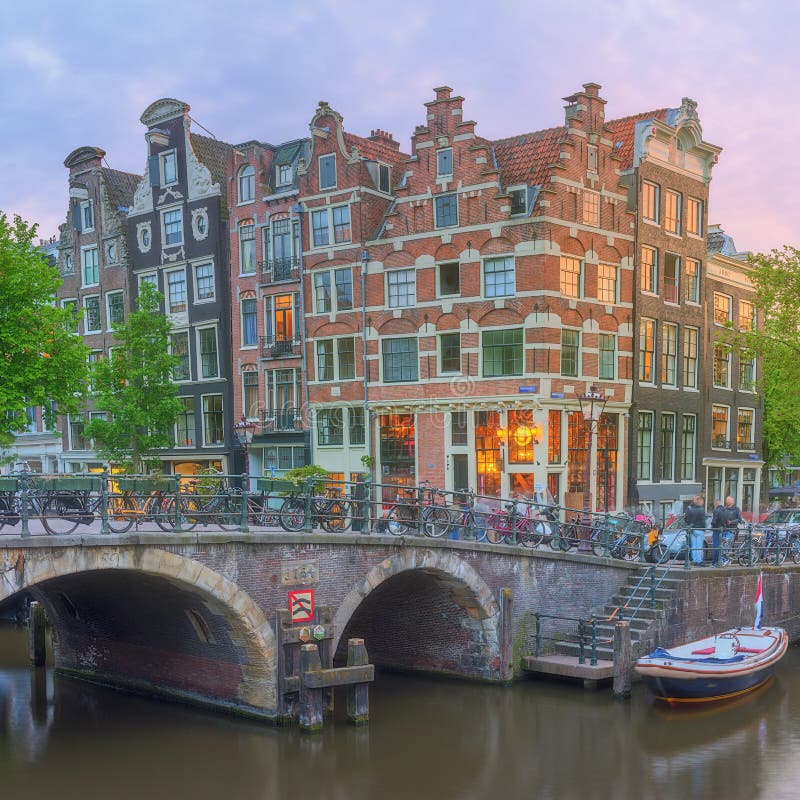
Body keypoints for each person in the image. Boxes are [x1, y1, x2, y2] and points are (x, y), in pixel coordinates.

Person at [684, 495, 706, 565]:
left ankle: (694, 560)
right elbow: (703, 520)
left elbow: (686, 518)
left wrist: (690, 524)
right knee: (699, 546)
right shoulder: (701, 509)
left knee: (693, 545)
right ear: (700, 501)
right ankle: (699, 561)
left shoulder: (690, 509)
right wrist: (704, 528)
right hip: (700, 529)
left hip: (692, 529)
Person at [710, 499, 726, 565]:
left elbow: (714, 521)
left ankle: (714, 561)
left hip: (716, 530)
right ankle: (720, 560)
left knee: (716, 546)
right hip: (723, 530)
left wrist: (712, 525)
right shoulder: (725, 510)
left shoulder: (716, 510)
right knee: (721, 546)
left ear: (715, 504)